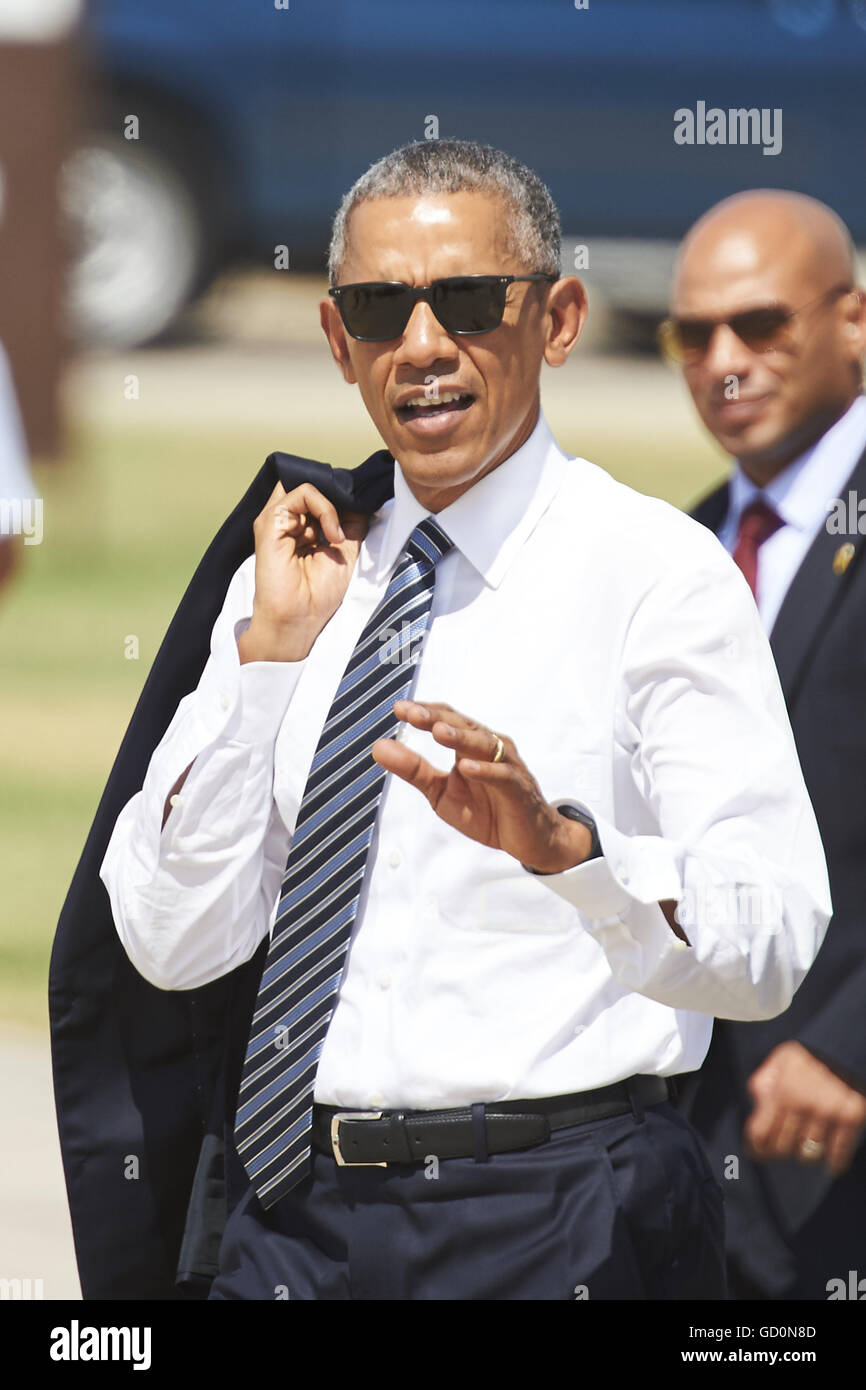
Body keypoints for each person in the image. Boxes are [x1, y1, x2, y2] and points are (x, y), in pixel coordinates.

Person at [91, 141, 831, 1301]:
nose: (423, 345)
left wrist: (571, 854)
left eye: (470, 301)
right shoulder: (294, 570)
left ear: (559, 317)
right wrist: (263, 668)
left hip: (561, 1217)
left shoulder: (654, 574)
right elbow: (171, 943)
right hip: (296, 1218)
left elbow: (773, 936)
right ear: (338, 343)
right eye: (381, 309)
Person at [665, 189, 866, 1300]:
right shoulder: (685, 546)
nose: (722, 361)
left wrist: (850, 1044)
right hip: (696, 1145)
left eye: (759, 325)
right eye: (691, 335)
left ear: (853, 321)